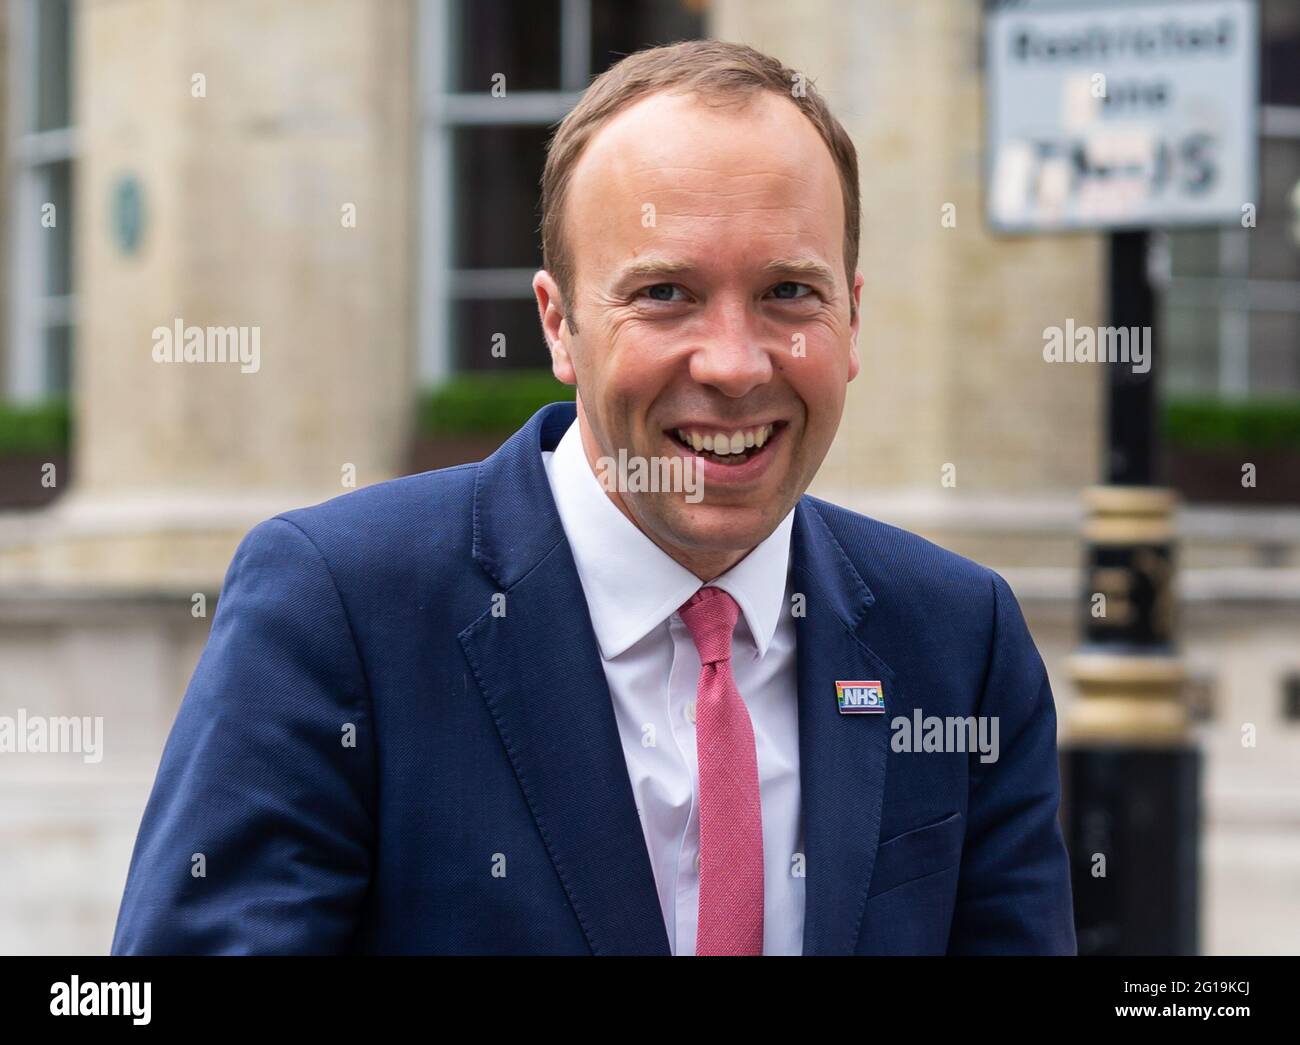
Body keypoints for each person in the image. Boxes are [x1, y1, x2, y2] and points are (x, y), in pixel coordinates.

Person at [112, 39, 1075, 956]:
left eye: (789, 291)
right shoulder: (341, 609)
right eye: (665, 294)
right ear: (559, 325)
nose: (735, 364)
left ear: (853, 319)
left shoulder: (958, 637)